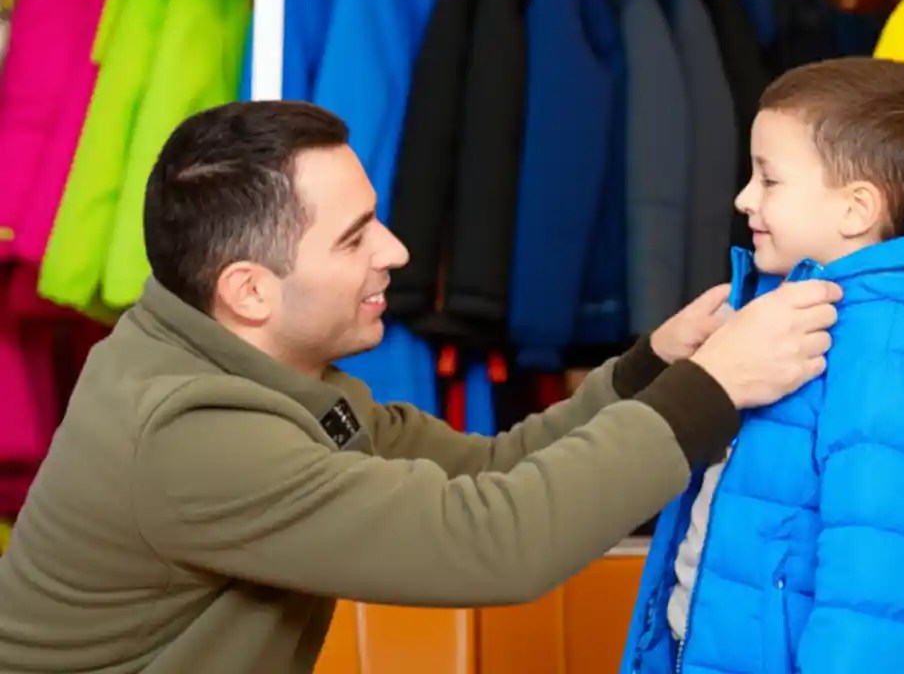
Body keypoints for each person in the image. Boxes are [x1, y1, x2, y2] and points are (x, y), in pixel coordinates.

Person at [0, 101, 843, 674]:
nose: (398, 254)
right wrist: (711, 390)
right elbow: (491, 540)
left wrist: (650, 370)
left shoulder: (247, 364)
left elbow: (483, 472)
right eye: (356, 237)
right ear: (250, 290)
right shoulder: (191, 433)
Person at [619, 57, 904, 674]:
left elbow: (877, 589)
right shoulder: (775, 314)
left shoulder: (888, 349)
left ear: (856, 209)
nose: (743, 198)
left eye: (769, 179)